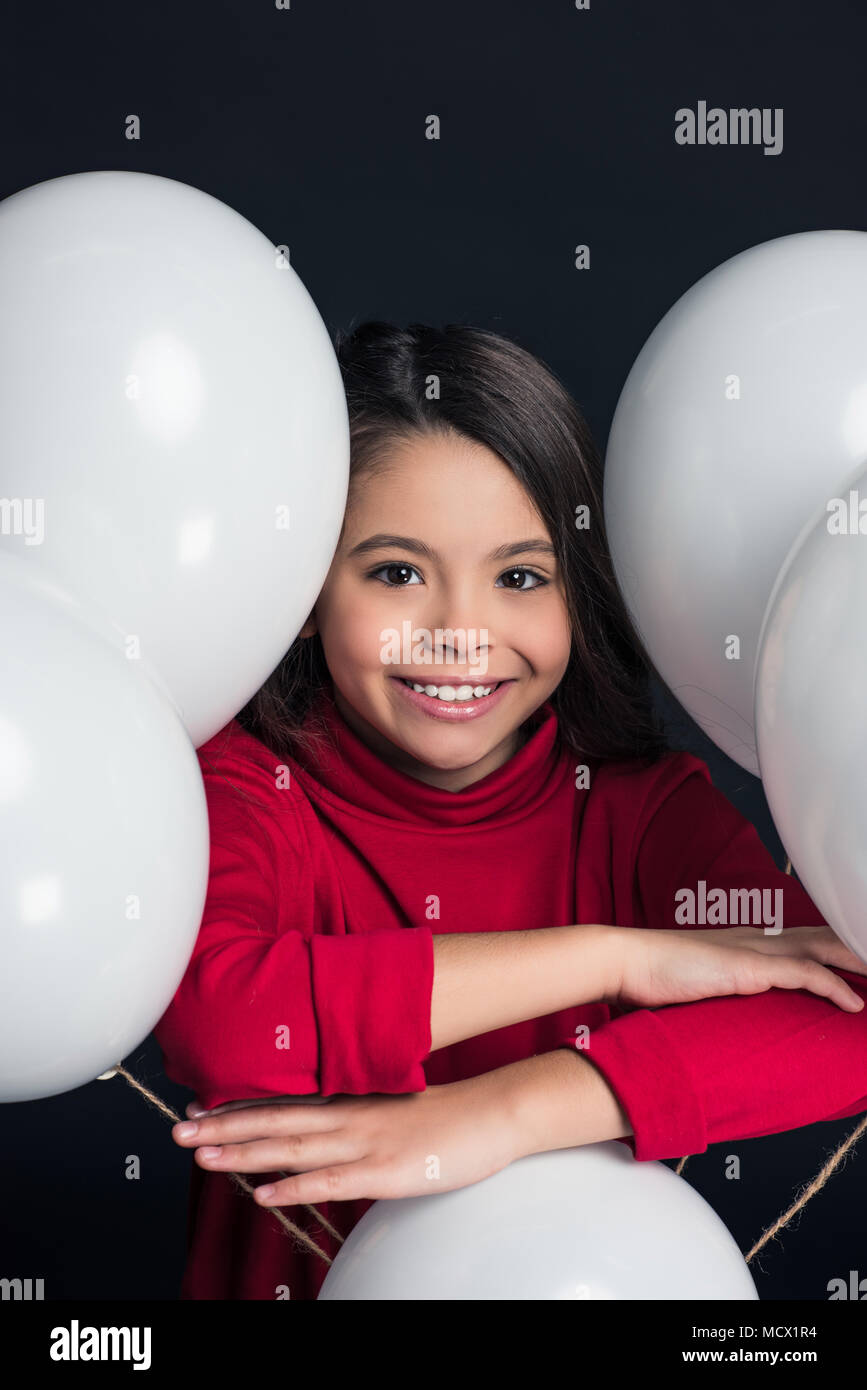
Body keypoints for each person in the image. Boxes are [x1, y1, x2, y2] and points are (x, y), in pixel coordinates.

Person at [153, 321, 867, 1301]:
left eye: (521, 577)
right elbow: (224, 1021)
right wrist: (616, 955)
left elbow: (855, 1009)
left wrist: (503, 1114)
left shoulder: (638, 812)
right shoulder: (248, 784)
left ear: (581, 594)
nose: (458, 634)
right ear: (308, 588)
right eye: (397, 571)